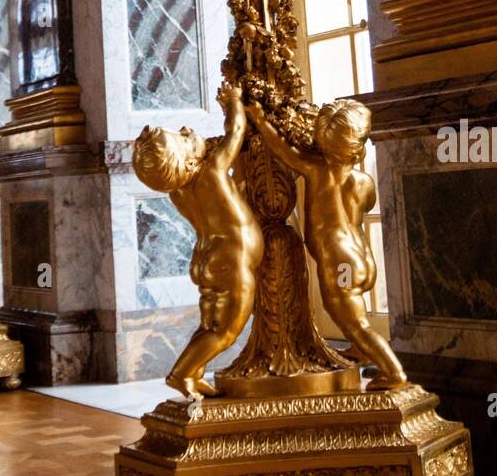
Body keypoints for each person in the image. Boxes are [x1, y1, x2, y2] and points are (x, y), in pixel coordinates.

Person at [246, 97, 407, 389]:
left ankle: (393, 372)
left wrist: (259, 120)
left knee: (353, 322)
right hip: (361, 258)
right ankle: (360, 351)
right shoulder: (362, 181)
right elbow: (366, 205)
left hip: (339, 263)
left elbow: (285, 152)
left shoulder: (319, 169)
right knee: (355, 315)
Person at [133, 82, 263, 398]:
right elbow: (235, 133)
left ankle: (194, 373)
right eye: (184, 138)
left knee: (209, 324)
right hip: (233, 259)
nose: (189, 129)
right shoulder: (213, 172)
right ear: (189, 162)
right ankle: (182, 373)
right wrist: (232, 101)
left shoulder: (178, 192)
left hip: (205, 258)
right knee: (226, 331)